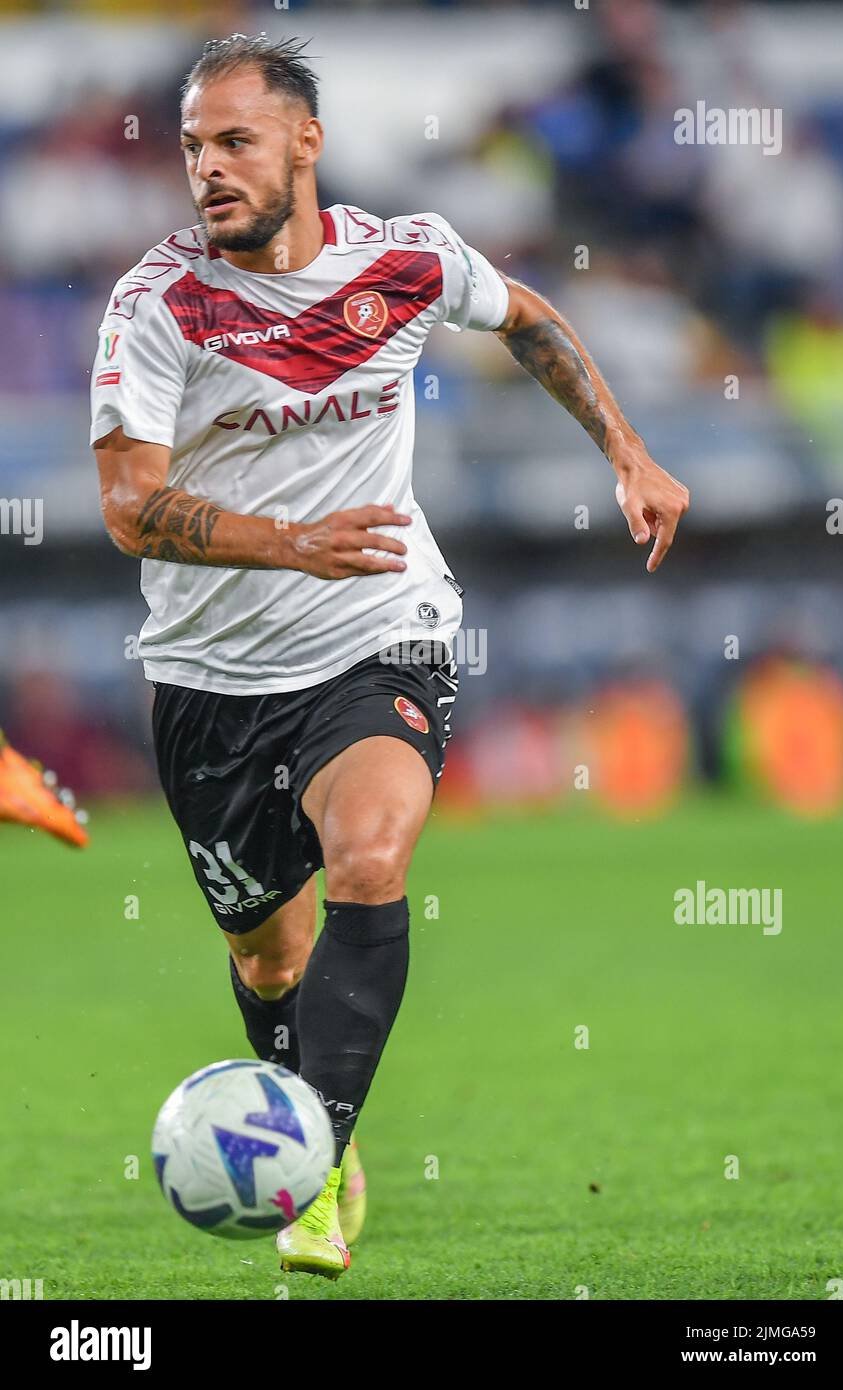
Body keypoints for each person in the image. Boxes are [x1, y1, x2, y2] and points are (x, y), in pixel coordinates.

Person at [91, 34, 688, 1280]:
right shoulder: (159, 304)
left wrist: (624, 453)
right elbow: (131, 506)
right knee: (268, 954)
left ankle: (308, 1172)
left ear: (304, 142)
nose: (207, 167)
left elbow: (528, 320)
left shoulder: (404, 257)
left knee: (369, 852)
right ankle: (300, 1103)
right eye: (194, 145)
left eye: (234, 140)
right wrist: (285, 541)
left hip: (380, 627)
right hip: (210, 676)